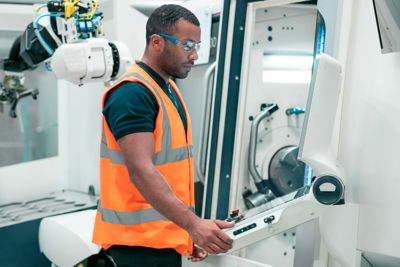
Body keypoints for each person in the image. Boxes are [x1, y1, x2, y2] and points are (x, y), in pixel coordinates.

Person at [92, 4, 234, 267]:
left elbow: (171, 174)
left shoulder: (167, 89)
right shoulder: (133, 93)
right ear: (157, 42)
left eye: (197, 46)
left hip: (159, 243)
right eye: (187, 45)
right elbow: (141, 170)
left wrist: (187, 232)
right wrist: (194, 225)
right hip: (136, 249)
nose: (194, 55)